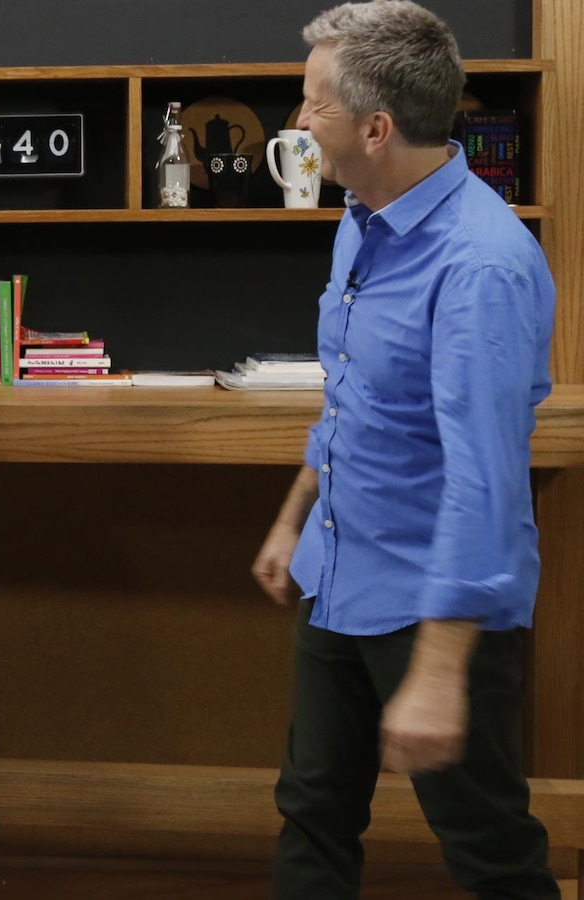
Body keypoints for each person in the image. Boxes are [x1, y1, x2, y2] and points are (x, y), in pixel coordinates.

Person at [250, 3, 559, 897]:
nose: (299, 123)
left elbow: (486, 488)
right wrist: (293, 517)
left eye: (313, 105)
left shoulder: (479, 266)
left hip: (435, 602)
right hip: (340, 571)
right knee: (310, 809)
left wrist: (436, 672)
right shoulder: (364, 214)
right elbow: (356, 397)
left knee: (488, 844)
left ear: (376, 127)